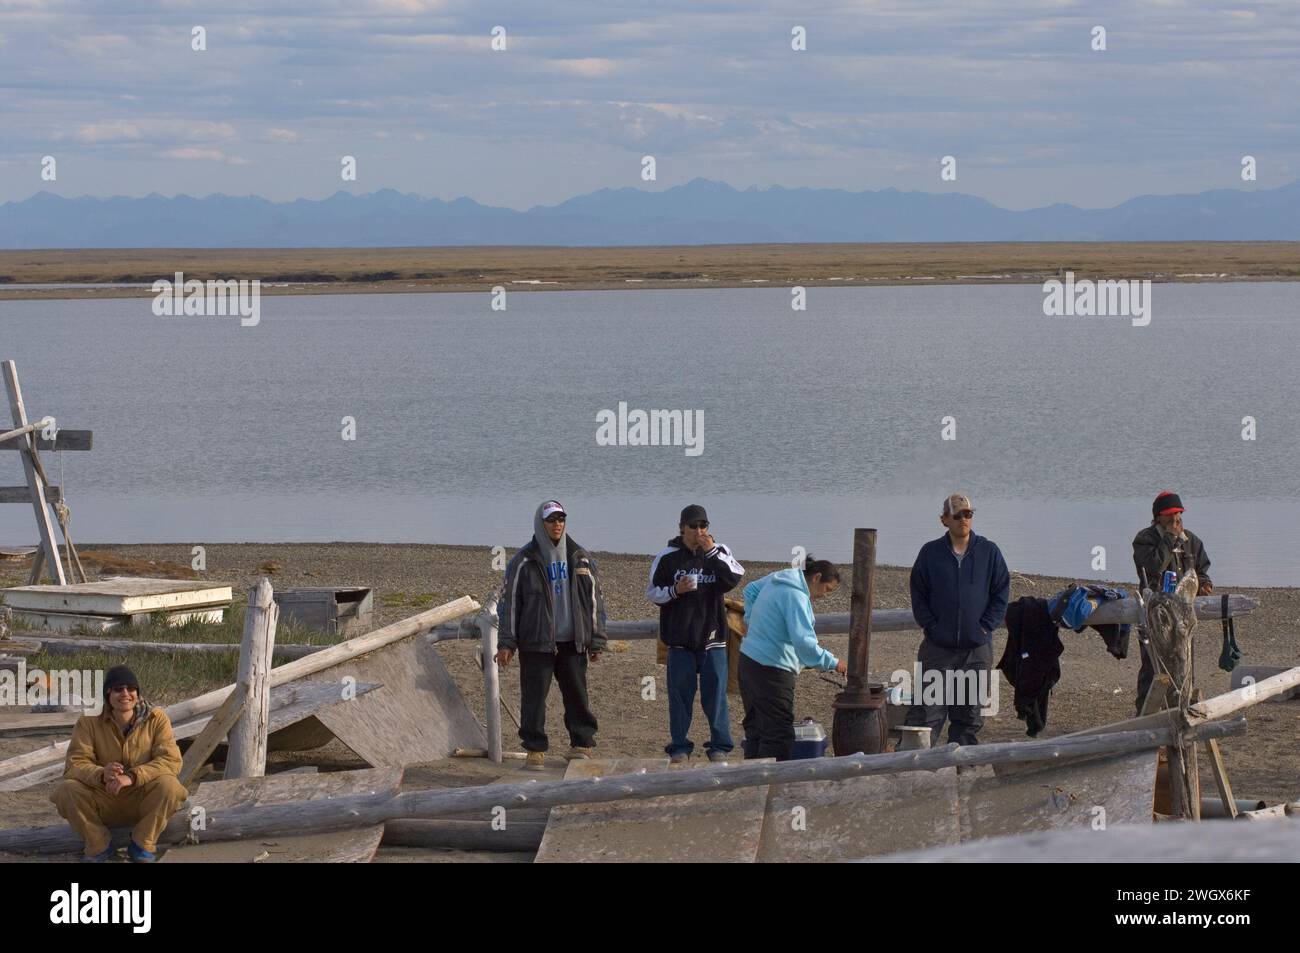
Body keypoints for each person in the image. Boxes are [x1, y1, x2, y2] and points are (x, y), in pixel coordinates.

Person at [496, 500, 608, 770]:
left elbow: (594, 601)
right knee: (534, 698)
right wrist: (507, 643)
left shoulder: (580, 557)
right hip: (537, 642)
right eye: (551, 520)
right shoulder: (524, 561)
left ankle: (581, 744)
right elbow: (510, 604)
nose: (557, 524)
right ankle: (535, 749)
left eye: (561, 519)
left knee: (577, 695)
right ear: (540, 523)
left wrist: (596, 639)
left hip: (573, 642)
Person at [51, 665, 187, 863]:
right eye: (118, 689)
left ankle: (142, 844)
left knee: (170, 786)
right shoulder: (88, 721)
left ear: (137, 693)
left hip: (141, 797)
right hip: (105, 796)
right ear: (108, 694)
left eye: (131, 688)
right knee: (67, 789)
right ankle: (99, 846)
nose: (125, 694)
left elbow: (170, 761)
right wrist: (101, 774)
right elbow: (75, 763)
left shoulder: (156, 719)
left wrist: (132, 776)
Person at [905, 492, 1010, 746]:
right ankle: (923, 773)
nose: (964, 520)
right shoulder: (930, 553)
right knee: (929, 715)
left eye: (968, 515)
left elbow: (1001, 592)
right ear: (945, 520)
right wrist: (931, 626)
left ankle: (962, 771)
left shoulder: (989, 551)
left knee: (968, 718)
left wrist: (985, 627)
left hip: (976, 651)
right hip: (937, 650)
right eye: (958, 515)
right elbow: (918, 594)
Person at [647, 504, 745, 763]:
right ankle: (679, 746)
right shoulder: (667, 556)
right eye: (693, 526)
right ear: (682, 528)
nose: (699, 531)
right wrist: (674, 591)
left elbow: (736, 576)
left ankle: (720, 746)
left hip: (713, 639)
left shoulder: (719, 551)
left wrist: (711, 550)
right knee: (680, 698)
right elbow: (652, 593)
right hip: (679, 642)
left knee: (716, 697)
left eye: (703, 526)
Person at [738, 556, 846, 761]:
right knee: (778, 734)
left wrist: (752, 622)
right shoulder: (796, 596)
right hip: (772, 669)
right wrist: (834, 662)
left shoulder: (778, 578)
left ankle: (752, 784)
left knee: (756, 729)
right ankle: (771, 787)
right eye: (827, 589)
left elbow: (750, 590)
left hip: (748, 660)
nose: (825, 596)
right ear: (817, 577)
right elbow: (805, 645)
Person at [1131, 490, 1213, 714]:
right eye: (1169, 515)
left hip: (1183, 617)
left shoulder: (1191, 541)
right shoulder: (1145, 539)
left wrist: (1204, 583)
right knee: (1152, 668)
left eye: (1178, 514)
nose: (1175, 519)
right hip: (1154, 615)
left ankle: (1181, 713)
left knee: (1184, 663)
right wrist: (1169, 539)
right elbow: (1153, 567)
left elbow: (1201, 569)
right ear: (1158, 517)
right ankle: (1144, 716)